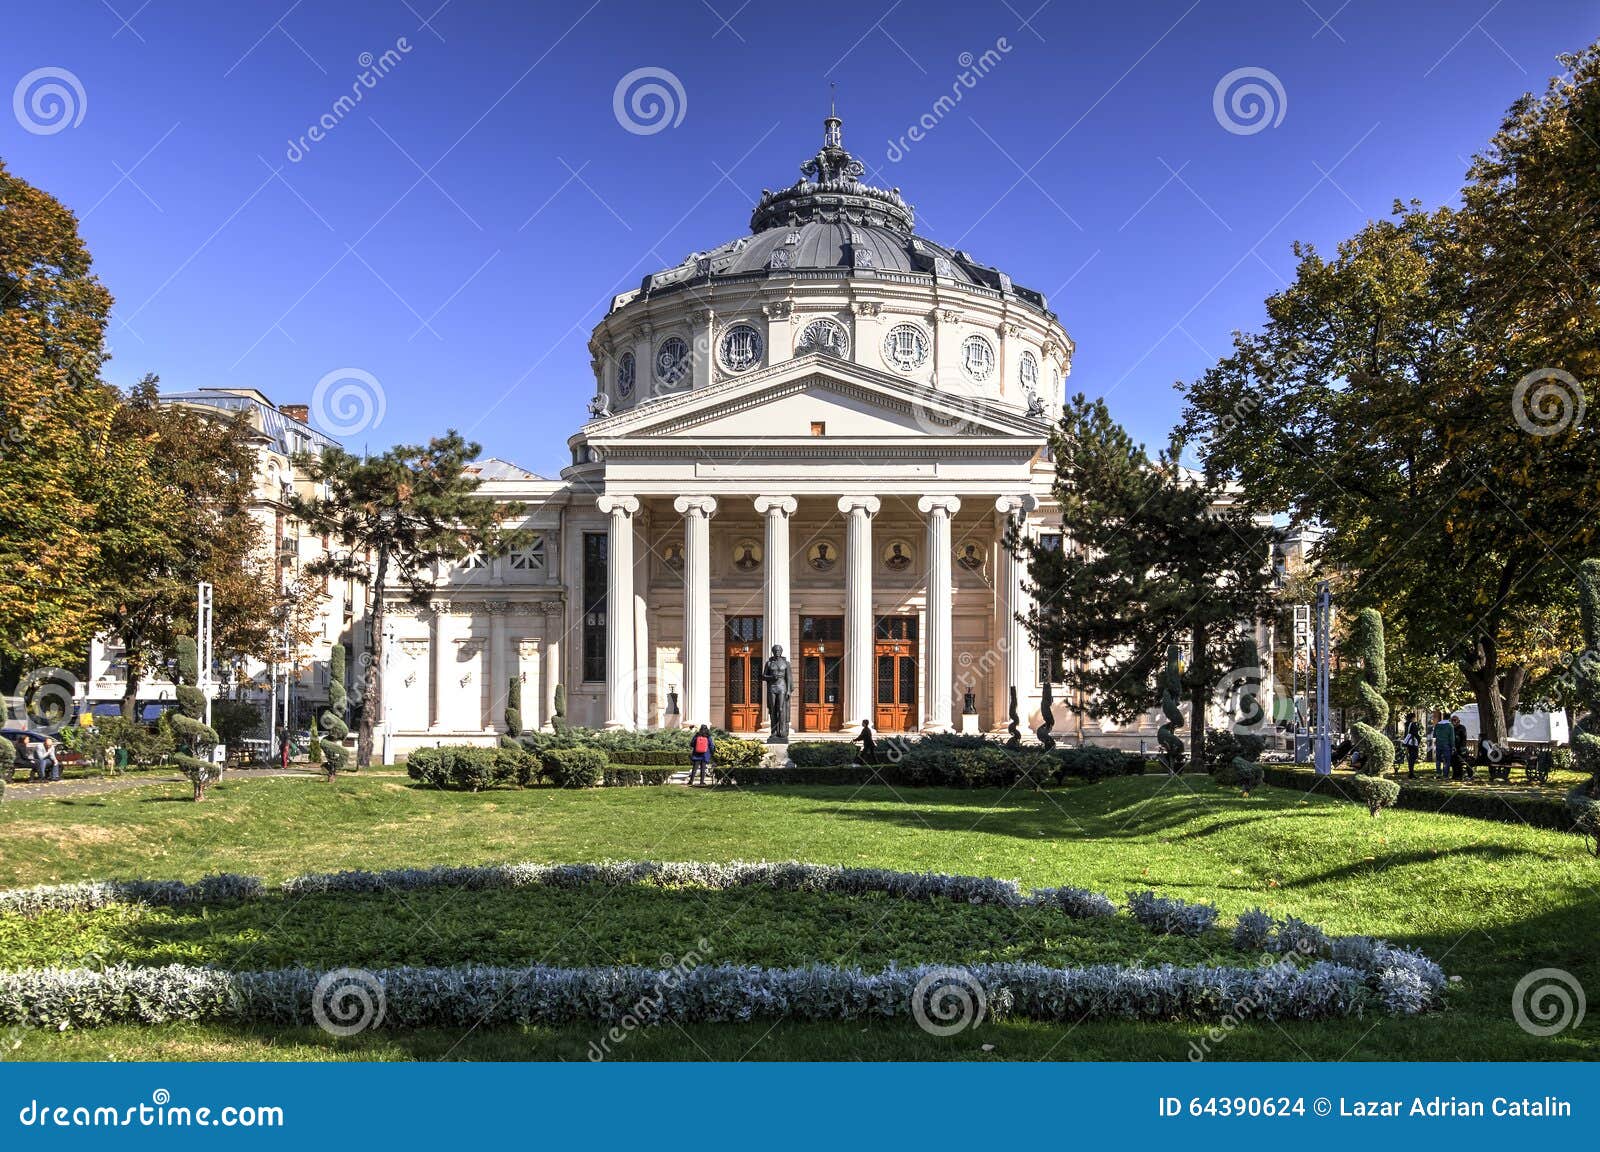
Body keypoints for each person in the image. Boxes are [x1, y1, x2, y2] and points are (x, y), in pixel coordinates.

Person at [1431, 713, 1455, 779]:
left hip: (1438, 744)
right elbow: (1452, 738)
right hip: (1446, 745)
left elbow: (1434, 735)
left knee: (1438, 760)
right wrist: (1453, 746)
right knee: (1447, 760)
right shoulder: (1450, 726)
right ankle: (1445, 775)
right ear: (1449, 718)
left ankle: (1438, 773)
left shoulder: (1437, 725)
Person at [1401, 712, 1422, 778]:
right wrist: (1419, 740)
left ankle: (1411, 772)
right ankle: (1411, 773)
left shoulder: (1407, 724)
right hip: (1413, 742)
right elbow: (1416, 734)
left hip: (1408, 743)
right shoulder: (1413, 724)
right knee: (1413, 757)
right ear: (1413, 718)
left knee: (1411, 758)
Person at [1451, 715, 1471, 781]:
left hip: (1460, 748)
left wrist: (1461, 748)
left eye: (1455, 720)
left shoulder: (1462, 728)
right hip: (1454, 748)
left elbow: (1463, 739)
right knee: (1453, 762)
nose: (1453, 722)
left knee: (1459, 762)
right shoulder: (1451, 728)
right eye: (1452, 720)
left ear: (1458, 721)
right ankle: (1455, 775)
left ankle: (1460, 775)